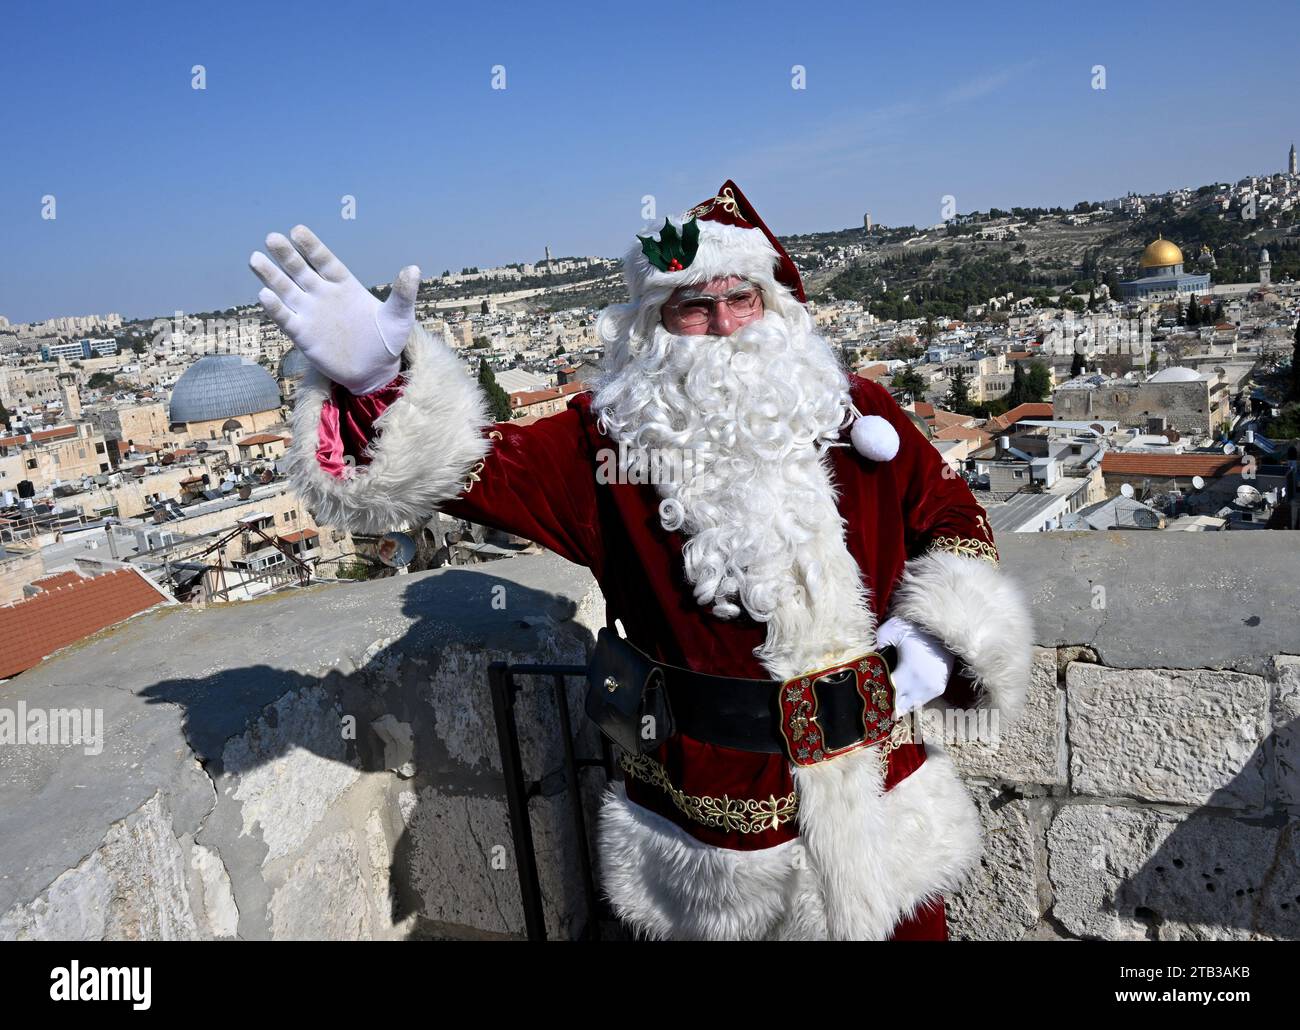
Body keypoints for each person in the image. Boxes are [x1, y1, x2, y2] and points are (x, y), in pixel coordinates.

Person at [249, 180, 1033, 940]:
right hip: (715, 832)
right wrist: (377, 383)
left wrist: (937, 635)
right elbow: (473, 470)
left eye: (741, 298)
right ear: (655, 320)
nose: (723, 324)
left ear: (773, 304)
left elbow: (951, 511)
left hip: (887, 800)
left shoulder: (858, 411)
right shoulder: (602, 447)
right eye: (694, 305)